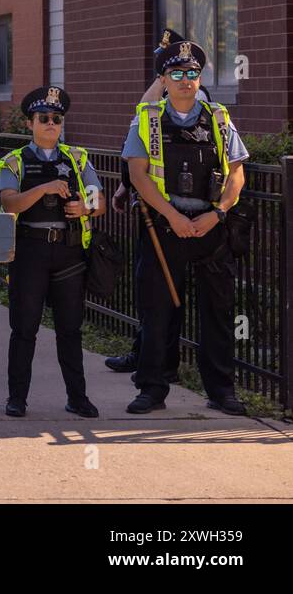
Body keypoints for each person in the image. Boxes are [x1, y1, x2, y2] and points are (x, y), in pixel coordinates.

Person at [122, 40, 249, 415]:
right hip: (166, 227)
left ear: (200, 78)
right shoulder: (147, 118)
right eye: (176, 74)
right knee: (157, 311)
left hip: (211, 228)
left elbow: (237, 174)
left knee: (219, 312)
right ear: (163, 79)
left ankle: (222, 390)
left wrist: (220, 213)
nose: (185, 80)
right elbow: (137, 174)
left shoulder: (220, 119)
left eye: (191, 73)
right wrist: (172, 216)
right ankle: (152, 388)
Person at [0, 86, 103, 418]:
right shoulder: (14, 161)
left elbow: (98, 202)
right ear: (30, 124)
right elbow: (9, 202)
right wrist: (44, 188)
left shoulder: (77, 158)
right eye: (43, 118)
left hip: (68, 254)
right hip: (29, 252)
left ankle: (77, 397)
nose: (51, 124)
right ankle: (17, 398)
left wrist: (85, 207)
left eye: (57, 118)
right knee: (25, 328)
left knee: (70, 329)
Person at [106, 28, 200, 381]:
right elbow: (138, 139)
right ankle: (145, 353)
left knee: (166, 295)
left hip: (175, 214)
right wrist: (124, 185)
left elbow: (142, 112)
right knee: (152, 291)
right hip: (153, 206)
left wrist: (161, 81)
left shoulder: (187, 97)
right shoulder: (162, 94)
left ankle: (161, 363)